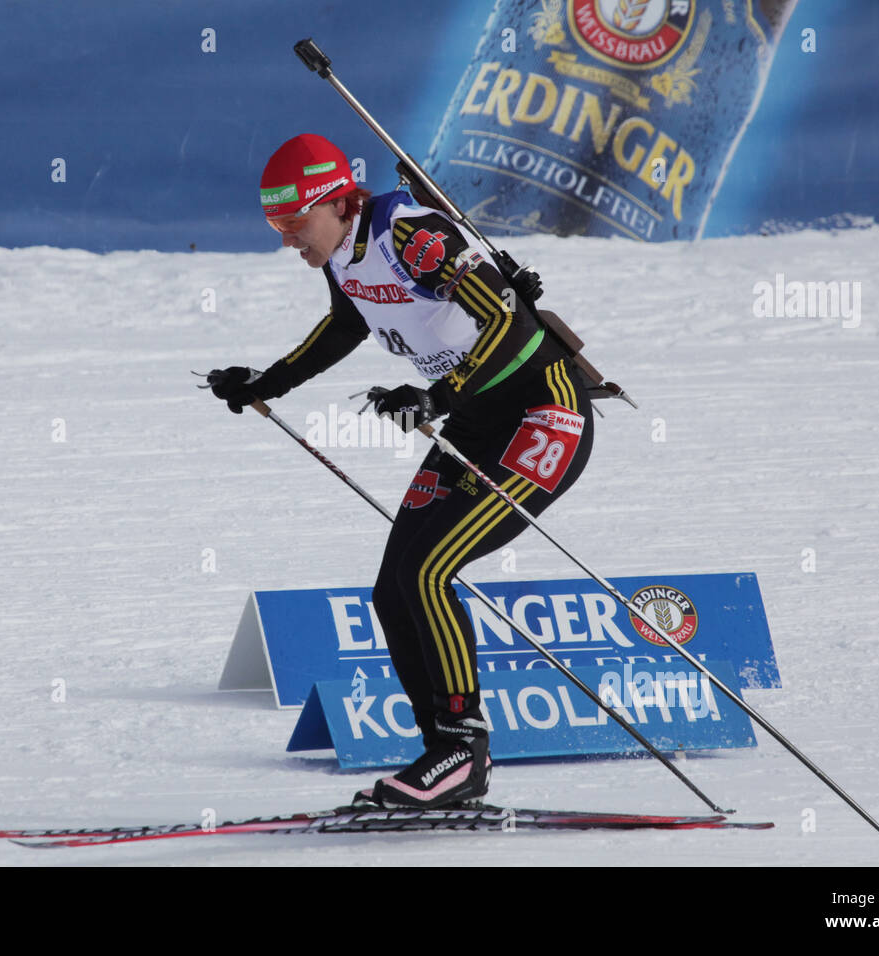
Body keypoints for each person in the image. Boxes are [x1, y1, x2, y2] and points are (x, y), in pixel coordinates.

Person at [207, 133, 594, 808]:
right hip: (475, 426)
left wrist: (435, 397)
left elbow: (509, 325)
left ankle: (462, 753)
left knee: (428, 570)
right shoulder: (342, 257)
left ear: (336, 202)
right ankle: (438, 754)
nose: (289, 242)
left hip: (543, 411)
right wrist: (265, 381)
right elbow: (346, 325)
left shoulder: (409, 234)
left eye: (295, 224)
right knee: (393, 588)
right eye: (277, 227)